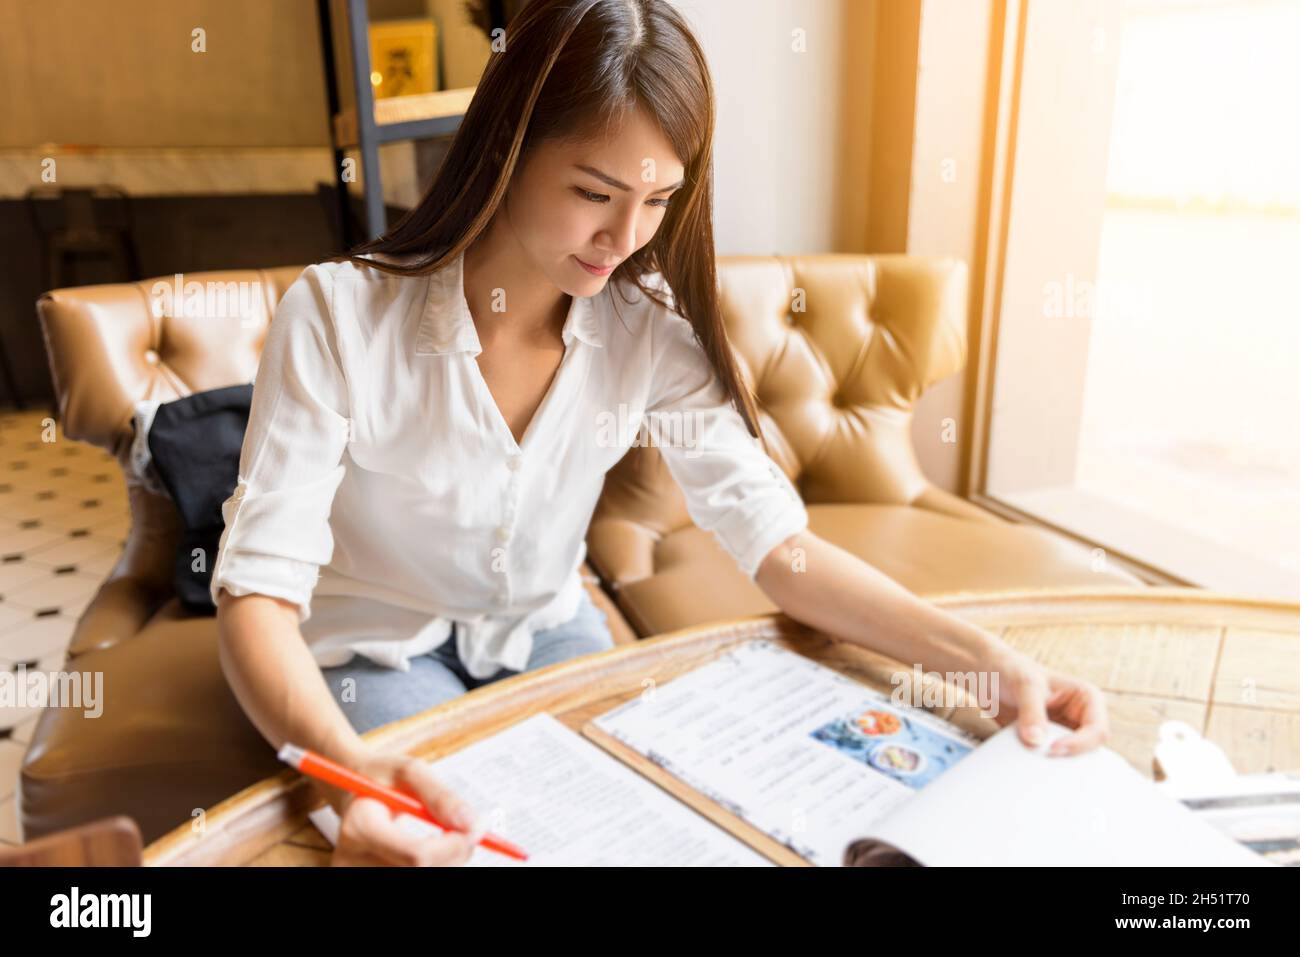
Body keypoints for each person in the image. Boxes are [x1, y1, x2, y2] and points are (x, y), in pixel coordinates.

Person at [214, 0, 1109, 867]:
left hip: (544, 628)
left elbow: (778, 546)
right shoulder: (338, 314)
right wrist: (347, 770)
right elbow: (254, 595)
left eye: (658, 199)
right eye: (594, 192)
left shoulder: (644, 325)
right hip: (374, 643)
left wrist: (988, 664)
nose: (624, 236)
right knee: (445, 842)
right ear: (506, 150)